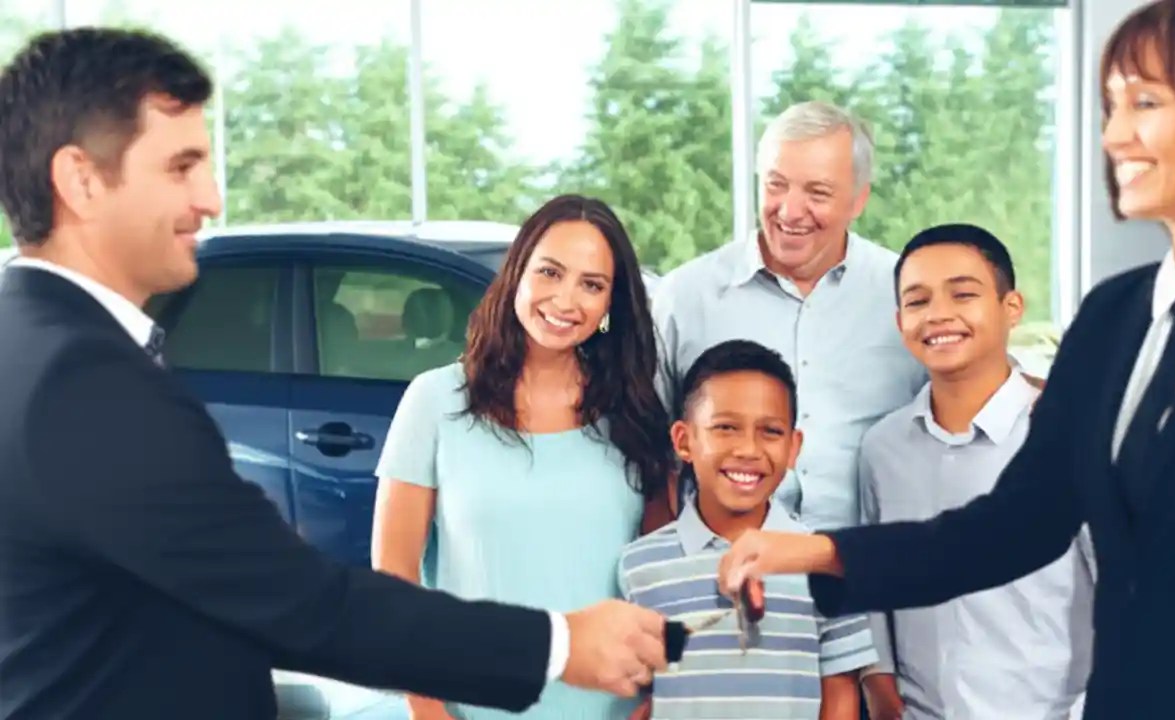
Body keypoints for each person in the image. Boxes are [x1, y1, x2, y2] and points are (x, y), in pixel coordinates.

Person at [0, 28, 667, 720]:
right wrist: (558, 645)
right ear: (80, 180)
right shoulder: (83, 382)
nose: (211, 198)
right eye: (181, 167)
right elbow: (306, 606)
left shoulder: (32, 344)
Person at [715, 1, 1175, 717]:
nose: (1113, 134)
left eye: (1144, 102)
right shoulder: (1114, 320)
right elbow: (1011, 527)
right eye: (1109, 105)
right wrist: (815, 552)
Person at [649, 101, 921, 713]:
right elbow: (651, 454)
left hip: (870, 609)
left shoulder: (903, 293)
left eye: (818, 192)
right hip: (724, 608)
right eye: (776, 185)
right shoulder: (687, 297)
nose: (790, 211)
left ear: (859, 199)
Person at [371, 193, 676, 720]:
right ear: (517, 273)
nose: (565, 300)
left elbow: (662, 578)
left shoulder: (634, 412)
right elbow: (393, 574)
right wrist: (426, 708)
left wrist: (656, 700)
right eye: (551, 272)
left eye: (592, 285)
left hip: (610, 709)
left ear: (610, 305)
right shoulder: (435, 400)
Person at [859, 224, 1094, 719]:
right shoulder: (883, 449)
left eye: (963, 294)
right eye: (918, 302)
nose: (939, 314)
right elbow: (876, 594)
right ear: (900, 321)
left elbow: (1120, 591)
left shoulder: (1071, 434)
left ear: (1012, 307)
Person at [619, 339, 878, 720]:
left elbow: (840, 694)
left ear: (794, 447)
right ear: (683, 441)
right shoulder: (639, 566)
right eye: (725, 427)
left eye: (770, 432)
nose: (748, 449)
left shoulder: (826, 563)